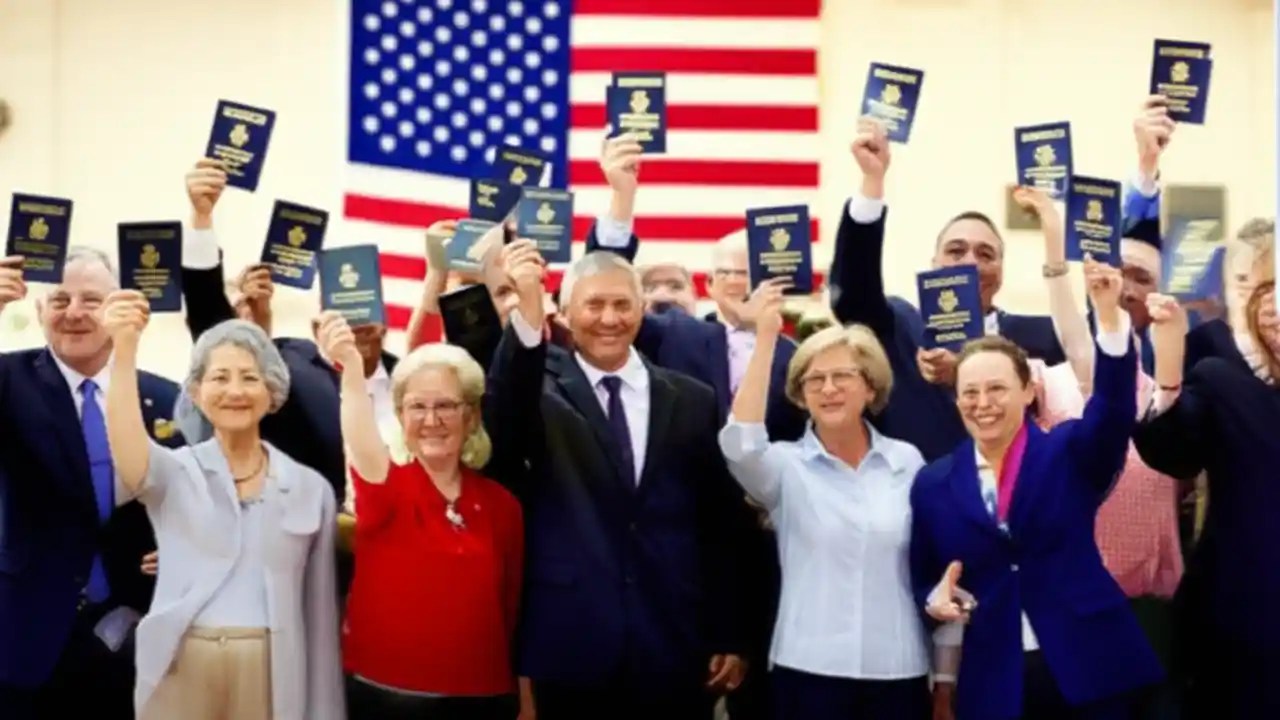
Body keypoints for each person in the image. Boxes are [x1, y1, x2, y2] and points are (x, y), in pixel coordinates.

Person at [486, 240, 751, 719]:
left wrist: (729, 632)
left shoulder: (692, 399)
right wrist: (525, 312)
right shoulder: (538, 393)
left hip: (674, 642)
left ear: (641, 310)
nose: (609, 319)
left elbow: (719, 524)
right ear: (565, 313)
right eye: (594, 304)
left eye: (621, 304)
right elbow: (503, 422)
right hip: (572, 644)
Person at [910, 260, 1162, 720]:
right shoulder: (934, 484)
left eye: (997, 389)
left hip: (1091, 665)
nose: (982, 404)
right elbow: (925, 576)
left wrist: (1108, 319)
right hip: (995, 675)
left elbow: (1111, 410)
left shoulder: (1069, 451)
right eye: (970, 392)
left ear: (1028, 392)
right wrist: (935, 599)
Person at [100, 292, 343, 720]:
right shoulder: (173, 472)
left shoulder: (310, 489)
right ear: (195, 391)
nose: (235, 391)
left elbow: (320, 617)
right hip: (182, 665)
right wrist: (124, 349)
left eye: (250, 378)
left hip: (273, 669)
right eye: (220, 377)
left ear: (273, 392)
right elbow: (129, 450)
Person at [719, 284, 931, 719]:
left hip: (897, 668)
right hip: (808, 669)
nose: (829, 388)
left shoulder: (907, 463)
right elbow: (740, 444)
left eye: (843, 376)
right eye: (814, 379)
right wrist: (764, 338)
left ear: (871, 388)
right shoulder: (784, 466)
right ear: (799, 395)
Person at [0, 250, 183, 720]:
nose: (74, 312)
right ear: (39, 310)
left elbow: (195, 497)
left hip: (135, 630)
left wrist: (188, 544)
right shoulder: (7, 380)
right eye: (60, 299)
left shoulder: (167, 398)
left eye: (91, 299)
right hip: (27, 629)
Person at [328, 309, 525, 720]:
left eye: (446, 406)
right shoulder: (385, 487)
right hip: (388, 697)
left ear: (471, 416)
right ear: (400, 417)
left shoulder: (501, 505)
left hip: (483, 698)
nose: (431, 420)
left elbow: (511, 610)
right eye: (417, 406)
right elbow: (360, 438)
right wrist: (350, 368)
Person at [1132, 284, 1280, 720]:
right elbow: (1171, 451)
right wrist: (1169, 374)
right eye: (1269, 307)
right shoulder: (1226, 385)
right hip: (1240, 627)